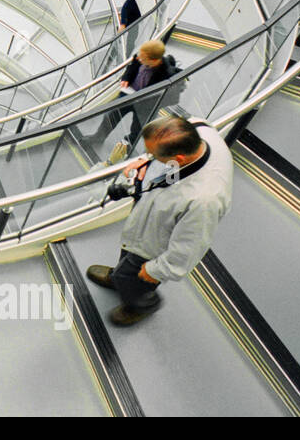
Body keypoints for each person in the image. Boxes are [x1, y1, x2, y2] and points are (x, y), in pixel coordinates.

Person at [87, 117, 232, 325]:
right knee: (127, 257)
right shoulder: (198, 128)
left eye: (153, 155)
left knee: (138, 276)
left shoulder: (204, 200)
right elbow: (168, 165)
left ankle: (141, 304)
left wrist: (157, 270)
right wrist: (146, 162)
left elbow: (189, 246)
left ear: (179, 159)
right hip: (150, 215)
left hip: (156, 245)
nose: (149, 157)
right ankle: (120, 276)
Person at [90, 39, 176, 150]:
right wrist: (126, 78)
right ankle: (98, 138)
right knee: (110, 117)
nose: (139, 58)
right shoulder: (140, 55)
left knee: (136, 129)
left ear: (154, 60)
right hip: (128, 94)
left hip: (145, 105)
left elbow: (164, 95)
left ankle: (125, 148)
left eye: (143, 58)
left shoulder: (166, 74)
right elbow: (131, 67)